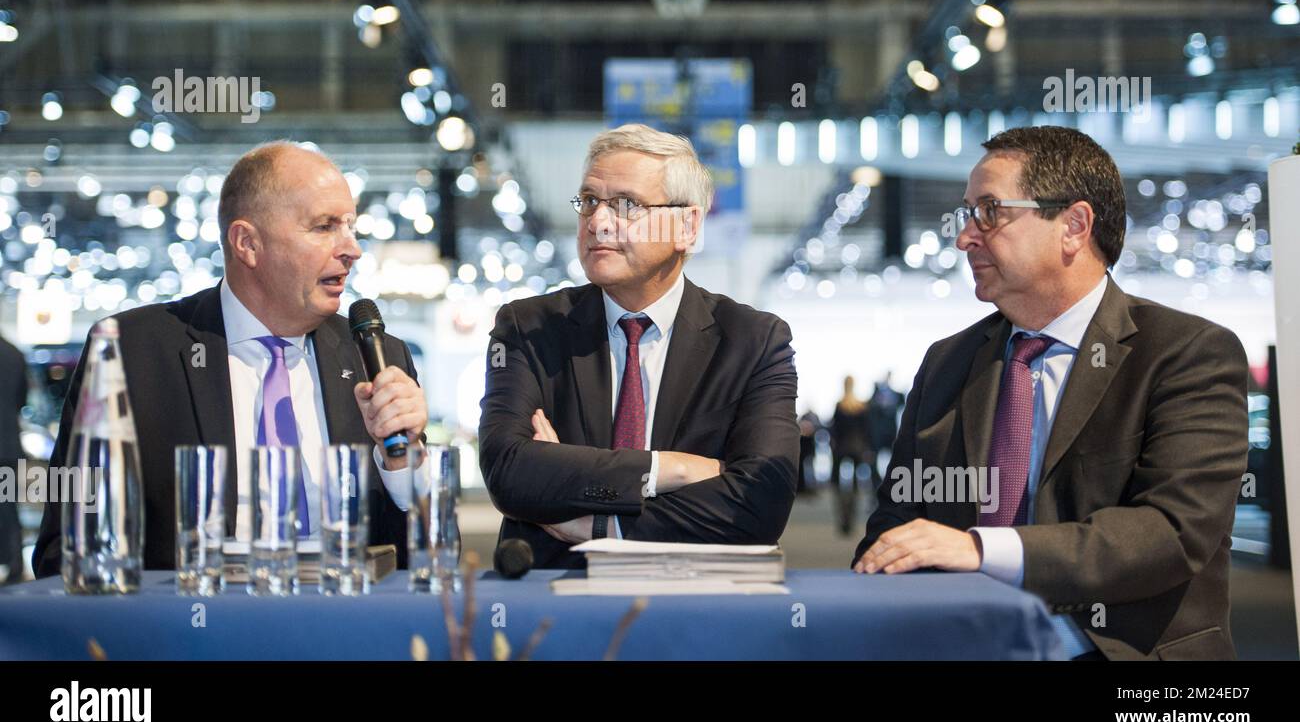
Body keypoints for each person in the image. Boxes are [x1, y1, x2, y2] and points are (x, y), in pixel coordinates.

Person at [852, 126, 1248, 660]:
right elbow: (898, 521)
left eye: (989, 211)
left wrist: (980, 548)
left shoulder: (1186, 354)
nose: (965, 236)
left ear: (1074, 226)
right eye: (967, 213)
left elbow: (1172, 533)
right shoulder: (948, 363)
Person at [33, 142, 427, 576]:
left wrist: (399, 465)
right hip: (189, 634)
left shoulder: (379, 359)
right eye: (324, 227)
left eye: (350, 226)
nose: (351, 248)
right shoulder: (134, 353)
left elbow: (425, 558)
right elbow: (67, 548)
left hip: (344, 633)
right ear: (247, 243)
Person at [479, 124, 800, 569]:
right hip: (553, 599)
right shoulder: (530, 327)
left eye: (626, 205)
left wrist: (600, 527)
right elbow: (509, 472)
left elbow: (759, 503)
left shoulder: (753, 341)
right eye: (589, 201)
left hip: (699, 599)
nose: (598, 221)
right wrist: (673, 469)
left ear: (687, 226)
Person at [0, 333, 28, 584]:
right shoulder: (14, 353)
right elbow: (22, 401)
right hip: (8, 444)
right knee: (8, 504)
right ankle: (15, 563)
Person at [829, 377, 871, 534]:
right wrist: (867, 450)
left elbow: (834, 430)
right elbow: (867, 431)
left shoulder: (840, 406)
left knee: (838, 486)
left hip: (841, 449)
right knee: (855, 486)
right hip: (857, 449)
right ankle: (851, 518)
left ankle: (843, 518)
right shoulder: (862, 407)